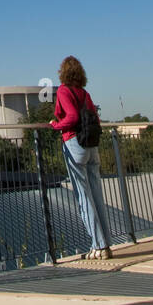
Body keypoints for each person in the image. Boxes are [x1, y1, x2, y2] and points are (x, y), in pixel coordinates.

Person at [50, 55, 112, 260]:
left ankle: (98, 245)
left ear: (63, 72)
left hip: (75, 144)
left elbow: (72, 117)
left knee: (83, 197)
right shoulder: (84, 93)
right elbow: (95, 117)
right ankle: (106, 244)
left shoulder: (64, 90)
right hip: (92, 145)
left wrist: (55, 126)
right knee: (97, 196)